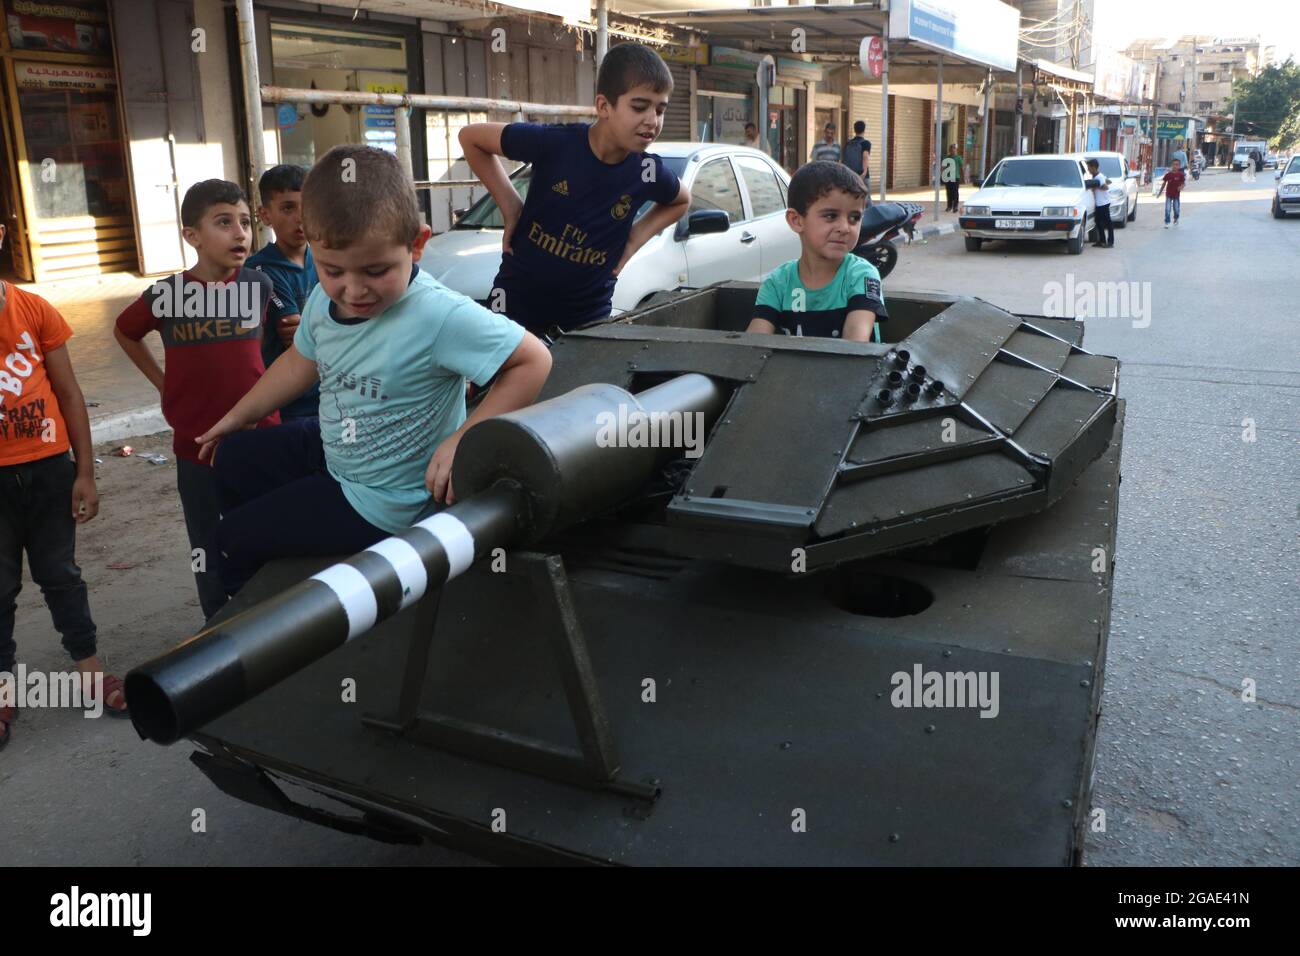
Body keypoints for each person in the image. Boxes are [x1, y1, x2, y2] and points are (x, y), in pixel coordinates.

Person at [197, 145, 552, 597]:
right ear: (312, 246)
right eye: (333, 270)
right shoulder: (325, 302)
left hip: (383, 499)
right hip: (337, 446)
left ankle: (257, 623)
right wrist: (240, 415)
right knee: (233, 457)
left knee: (229, 542)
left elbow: (534, 359)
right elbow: (301, 362)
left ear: (417, 244)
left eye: (376, 270)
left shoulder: (438, 315)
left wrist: (465, 438)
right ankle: (280, 570)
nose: (354, 290)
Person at [114, 181, 279, 621]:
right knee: (206, 540)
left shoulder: (261, 286)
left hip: (260, 437)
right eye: (224, 222)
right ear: (192, 235)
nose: (240, 233)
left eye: (245, 222)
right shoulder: (166, 294)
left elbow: (286, 342)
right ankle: (217, 622)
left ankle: (270, 617)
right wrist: (161, 382)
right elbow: (124, 330)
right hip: (197, 444)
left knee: (265, 528)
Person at [458, 43, 690, 340]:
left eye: (660, 109)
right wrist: (510, 208)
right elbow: (470, 139)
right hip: (516, 306)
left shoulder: (646, 172)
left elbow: (681, 200)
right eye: (639, 106)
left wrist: (631, 242)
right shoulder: (556, 143)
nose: (652, 120)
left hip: (586, 320)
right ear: (604, 106)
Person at [0, 223, 128, 749]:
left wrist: (86, 471)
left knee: (61, 575)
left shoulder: (34, 311)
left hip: (51, 470)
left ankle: (91, 671)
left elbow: (71, 394)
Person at [745, 162, 887, 343]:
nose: (844, 227)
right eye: (830, 216)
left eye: (854, 218)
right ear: (796, 220)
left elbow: (855, 346)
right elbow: (754, 344)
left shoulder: (861, 276)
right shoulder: (778, 283)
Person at [247, 164, 319, 421]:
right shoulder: (259, 269)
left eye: (306, 206)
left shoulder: (326, 259)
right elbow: (297, 340)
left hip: (331, 396)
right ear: (265, 215)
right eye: (288, 208)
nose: (300, 217)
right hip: (287, 405)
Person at [1085, 158, 1114, 248]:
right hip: (1099, 203)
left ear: (1093, 167)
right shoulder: (1097, 176)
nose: (1088, 169)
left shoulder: (1099, 177)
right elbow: (1108, 181)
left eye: (1089, 167)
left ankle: (1110, 242)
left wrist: (1096, 187)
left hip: (1103, 203)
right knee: (1098, 221)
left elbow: (1106, 187)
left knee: (1107, 222)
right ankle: (1101, 240)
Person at [1156, 157, 1187, 227]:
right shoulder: (1168, 175)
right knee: (1167, 209)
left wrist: (1181, 187)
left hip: (1176, 195)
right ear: (1172, 165)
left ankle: (1176, 218)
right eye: (1174, 164)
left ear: (1179, 166)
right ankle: (1167, 222)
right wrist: (1160, 193)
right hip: (1168, 195)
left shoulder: (1180, 175)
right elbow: (1164, 184)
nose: (1175, 166)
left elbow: (1184, 183)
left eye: (1177, 165)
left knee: (1176, 209)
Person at [843, 120, 872, 192]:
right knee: (866, 198)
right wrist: (864, 172)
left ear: (854, 130)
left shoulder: (848, 143)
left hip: (850, 174)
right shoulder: (866, 143)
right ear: (864, 130)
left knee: (851, 197)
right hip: (861, 174)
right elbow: (865, 156)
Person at [942, 144, 965, 213]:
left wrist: (963, 177)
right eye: (951, 149)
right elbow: (943, 167)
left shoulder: (958, 158)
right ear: (949, 150)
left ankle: (955, 206)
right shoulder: (946, 158)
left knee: (955, 192)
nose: (952, 150)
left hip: (956, 177)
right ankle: (949, 206)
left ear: (956, 150)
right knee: (949, 192)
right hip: (948, 177)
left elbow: (961, 168)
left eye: (954, 149)